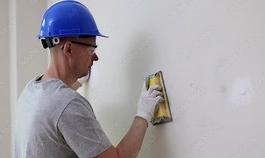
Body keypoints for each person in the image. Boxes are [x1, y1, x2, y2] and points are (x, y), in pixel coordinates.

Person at [14, 1, 163, 158]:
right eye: (91, 49)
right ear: (69, 48)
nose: (96, 57)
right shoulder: (68, 104)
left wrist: (77, 82)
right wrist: (143, 114)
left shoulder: (30, 91)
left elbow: (54, 109)